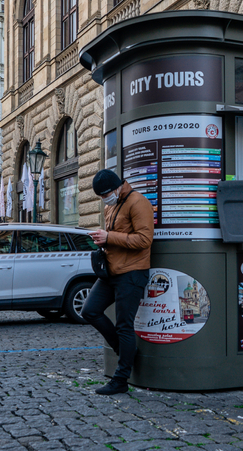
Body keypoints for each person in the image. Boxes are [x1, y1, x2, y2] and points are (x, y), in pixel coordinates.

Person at [81, 168, 154, 396]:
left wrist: (109, 237)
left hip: (132, 273)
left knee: (124, 325)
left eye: (105, 195)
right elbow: (115, 235)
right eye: (101, 197)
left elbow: (144, 239)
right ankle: (126, 353)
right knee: (89, 311)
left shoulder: (138, 202)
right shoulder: (110, 205)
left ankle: (121, 379)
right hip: (111, 271)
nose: (104, 199)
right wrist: (102, 239)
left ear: (117, 187)